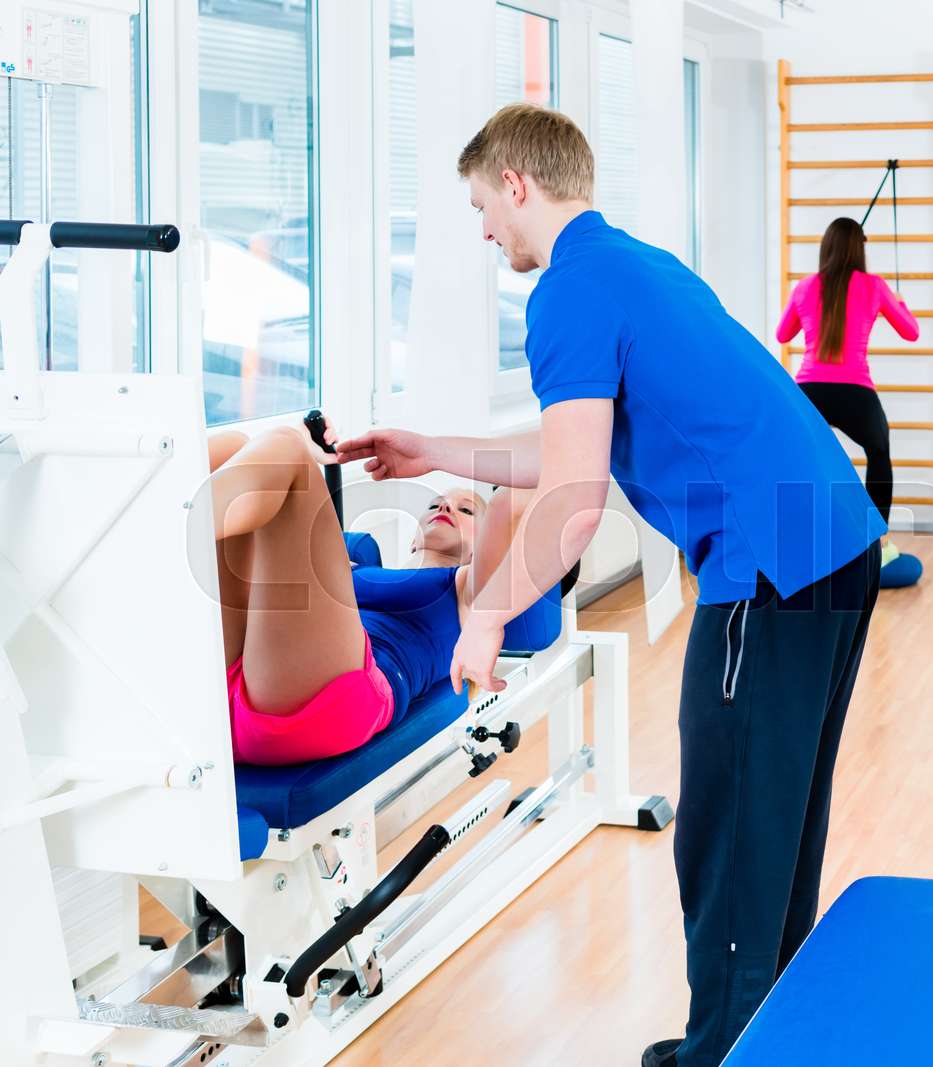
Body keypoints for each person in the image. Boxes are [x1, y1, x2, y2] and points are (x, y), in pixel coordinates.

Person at [336, 104, 884, 1067]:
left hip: (771, 569)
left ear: (516, 183)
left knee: (727, 832)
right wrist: (430, 448)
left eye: (482, 207)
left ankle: (727, 1054)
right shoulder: (632, 265)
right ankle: (756, 1036)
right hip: (834, 542)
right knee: (777, 822)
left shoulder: (566, 294)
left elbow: (575, 502)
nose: (485, 231)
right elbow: (562, 453)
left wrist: (488, 617)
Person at [207, 421, 558, 766]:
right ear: (412, 539)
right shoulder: (352, 567)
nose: (445, 508)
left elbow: (516, 503)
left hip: (341, 702)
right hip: (247, 681)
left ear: (483, 546)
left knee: (285, 447)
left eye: (466, 510)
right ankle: (177, 527)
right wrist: (307, 446)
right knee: (232, 447)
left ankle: (171, 527)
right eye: (436, 504)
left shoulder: (471, 592)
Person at [777, 216, 919, 526]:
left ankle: (796, 524)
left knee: (800, 458)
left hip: (810, 391)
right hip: (856, 393)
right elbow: (911, 332)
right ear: (859, 249)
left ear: (826, 247)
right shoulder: (875, 286)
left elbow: (782, 335)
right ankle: (875, 529)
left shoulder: (804, 287)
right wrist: (900, 303)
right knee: (879, 451)